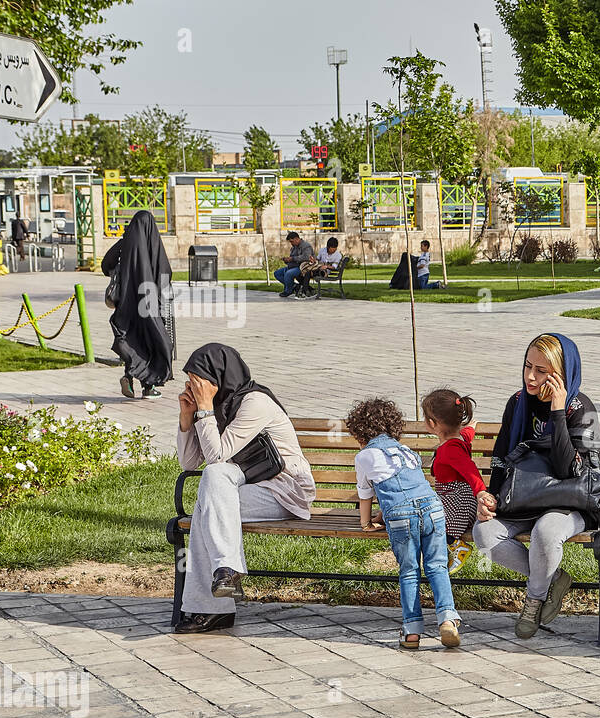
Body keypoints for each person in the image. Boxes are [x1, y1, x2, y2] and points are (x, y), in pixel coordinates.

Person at [174, 344, 316, 634]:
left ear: (218, 377)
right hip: (246, 487)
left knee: (207, 502)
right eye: (190, 381)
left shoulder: (255, 402)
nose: (193, 387)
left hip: (285, 491)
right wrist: (187, 417)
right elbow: (190, 462)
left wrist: (204, 410)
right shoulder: (215, 408)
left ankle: (213, 608)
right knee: (211, 492)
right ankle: (226, 573)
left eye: (198, 381)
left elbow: (217, 455)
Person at [473, 333, 600, 640]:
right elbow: (502, 456)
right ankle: (552, 578)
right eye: (528, 366)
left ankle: (533, 601)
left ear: (562, 373)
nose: (530, 376)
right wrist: (489, 496)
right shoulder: (518, 403)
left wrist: (557, 412)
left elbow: (568, 470)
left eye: (542, 371)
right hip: (523, 499)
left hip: (569, 502)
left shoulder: (581, 408)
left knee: (546, 532)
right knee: (484, 534)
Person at [346, 398, 461, 650]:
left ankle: (411, 632)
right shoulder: (407, 451)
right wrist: (384, 514)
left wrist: (367, 523)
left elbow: (366, 494)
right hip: (433, 510)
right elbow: (411, 491)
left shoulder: (365, 455)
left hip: (402, 518)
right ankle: (448, 620)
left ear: (360, 431)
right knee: (437, 566)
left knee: (409, 571)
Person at [101, 210, 174, 399]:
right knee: (152, 340)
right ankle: (149, 387)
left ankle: (129, 377)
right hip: (149, 303)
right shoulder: (154, 245)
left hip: (126, 303)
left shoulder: (124, 244)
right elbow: (165, 273)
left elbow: (105, 263)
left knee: (132, 339)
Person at [423, 388, 482, 573]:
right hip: (456, 499)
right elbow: (466, 436)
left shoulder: (450, 449)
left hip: (456, 503)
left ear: (432, 423)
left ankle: (458, 546)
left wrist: (481, 491)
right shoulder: (456, 440)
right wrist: (471, 427)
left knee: (432, 523)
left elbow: (469, 469)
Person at [274, 232, 313, 297]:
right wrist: (287, 260)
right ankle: (295, 286)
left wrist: (292, 259)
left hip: (302, 267)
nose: (291, 243)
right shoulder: (294, 247)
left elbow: (306, 257)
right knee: (277, 273)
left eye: (292, 241)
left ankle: (288, 291)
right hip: (292, 266)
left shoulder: (306, 246)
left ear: (297, 239)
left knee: (288, 274)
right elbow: (292, 258)